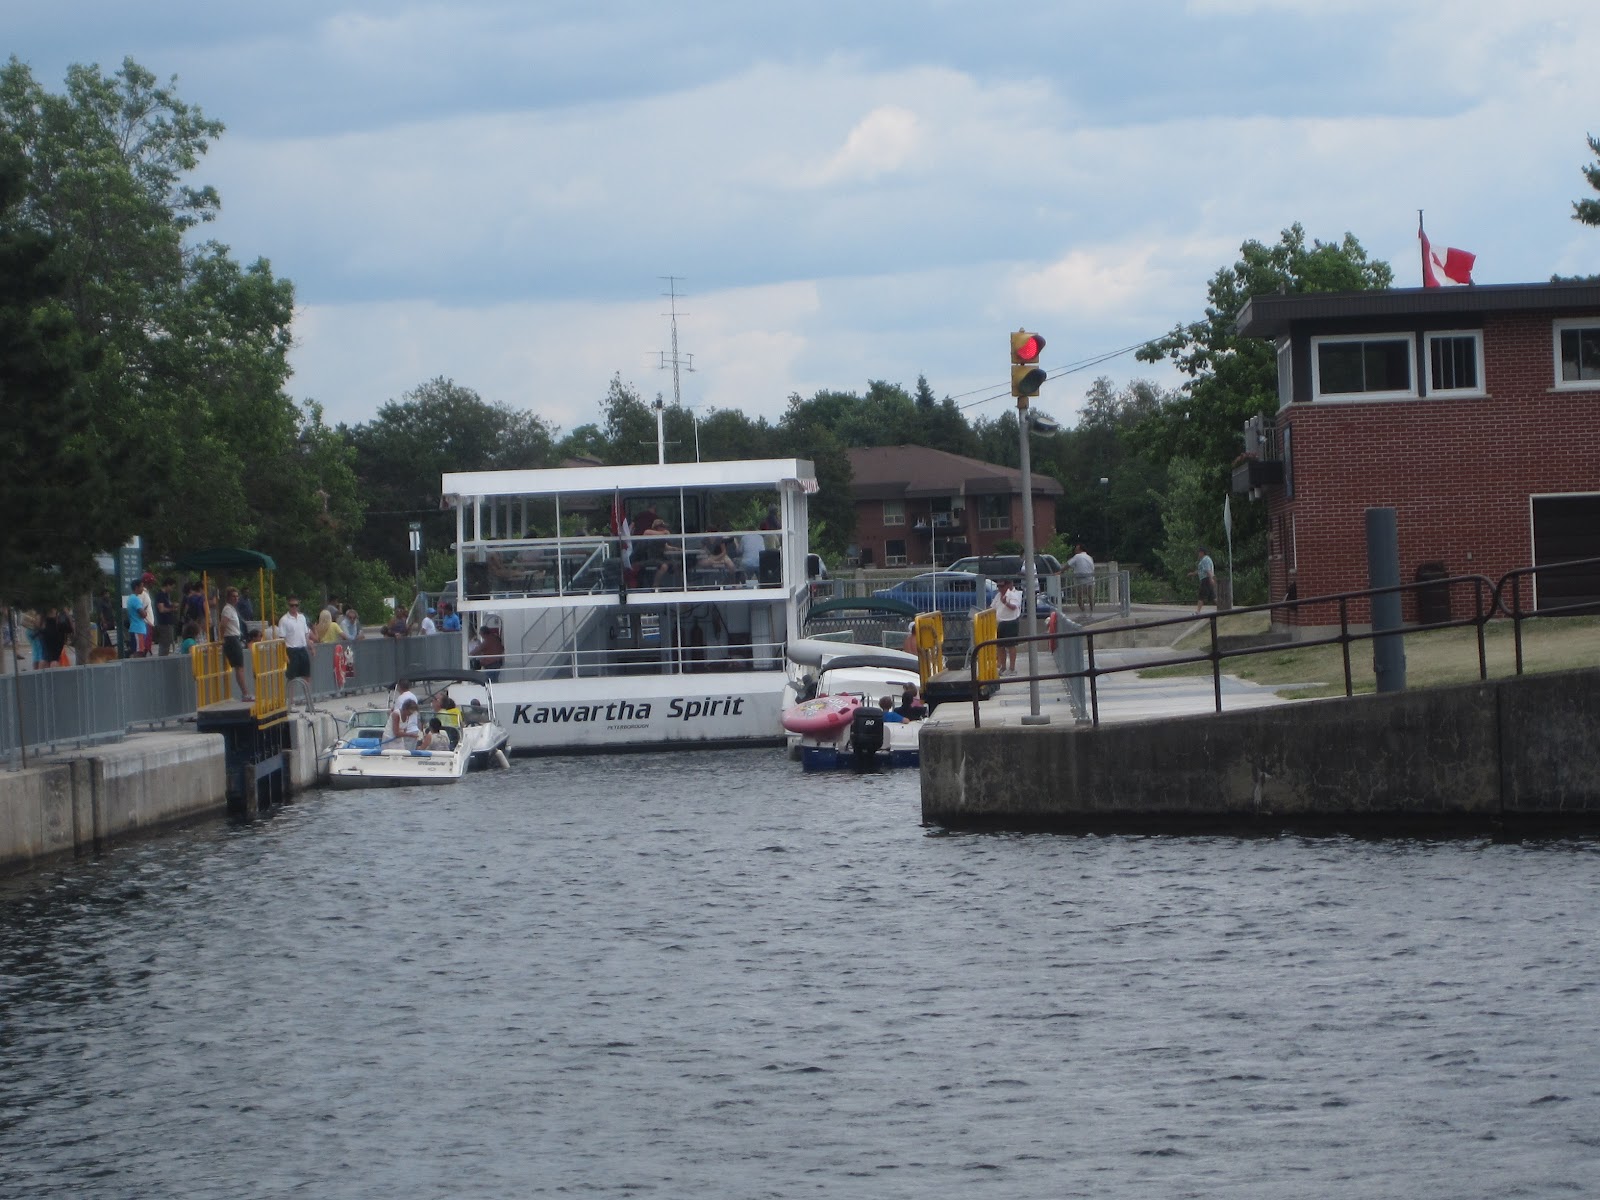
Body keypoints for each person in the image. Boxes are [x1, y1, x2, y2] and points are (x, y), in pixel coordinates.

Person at [277, 595, 316, 710]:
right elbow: (282, 639)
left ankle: (308, 702)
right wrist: (284, 654)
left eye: (296, 605)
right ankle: (290, 702)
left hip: (302, 648)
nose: (294, 607)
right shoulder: (284, 620)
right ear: (288, 606)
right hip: (291, 650)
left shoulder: (302, 618)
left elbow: (306, 635)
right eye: (291, 605)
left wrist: (311, 647)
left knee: (307, 676)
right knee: (291, 677)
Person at [220, 587, 252, 701]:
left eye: (237, 596)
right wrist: (221, 638)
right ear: (228, 597)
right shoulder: (228, 609)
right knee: (239, 667)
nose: (236, 598)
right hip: (231, 638)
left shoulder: (233, 609)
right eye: (233, 596)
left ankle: (245, 693)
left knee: (240, 667)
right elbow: (223, 624)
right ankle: (245, 693)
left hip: (235, 637)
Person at [991, 578, 1022, 675]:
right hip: (1001, 622)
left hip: (1011, 621)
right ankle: (1003, 667)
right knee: (1000, 646)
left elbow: (1014, 607)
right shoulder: (998, 596)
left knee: (1011, 645)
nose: (1000, 588)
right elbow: (992, 607)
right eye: (998, 586)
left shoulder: (1013, 595)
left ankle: (1012, 668)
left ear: (1007, 586)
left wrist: (1006, 603)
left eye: (1002, 586)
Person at [126, 575, 155, 657]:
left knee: (140, 649)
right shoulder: (135, 599)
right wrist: (145, 611)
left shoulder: (131, 598)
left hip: (138, 628)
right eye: (141, 586)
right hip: (137, 628)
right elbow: (142, 613)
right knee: (139, 652)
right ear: (136, 587)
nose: (143, 589)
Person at [1066, 544, 1096, 616]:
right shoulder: (1089, 557)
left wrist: (1060, 571)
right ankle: (1092, 611)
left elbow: (1068, 564)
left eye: (1076, 549)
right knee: (1091, 596)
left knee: (1079, 596)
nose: (1075, 550)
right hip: (1091, 579)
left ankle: (1083, 611)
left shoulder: (1077, 556)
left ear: (1080, 550)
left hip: (1080, 580)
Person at [154, 577, 177, 656]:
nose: (172, 589)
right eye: (172, 587)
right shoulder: (161, 595)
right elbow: (161, 609)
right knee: (165, 643)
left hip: (168, 623)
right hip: (164, 623)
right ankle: (162, 658)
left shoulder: (167, 595)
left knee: (168, 643)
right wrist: (172, 609)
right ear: (167, 585)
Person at [1193, 546, 1217, 615]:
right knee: (1213, 596)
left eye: (1199, 552)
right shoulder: (1205, 559)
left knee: (1201, 595)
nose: (1198, 554)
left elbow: (1208, 570)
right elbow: (1200, 570)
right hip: (1206, 579)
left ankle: (1198, 611)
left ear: (1202, 552)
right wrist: (1193, 574)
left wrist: (1211, 579)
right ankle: (1222, 608)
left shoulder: (1205, 560)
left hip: (1206, 579)